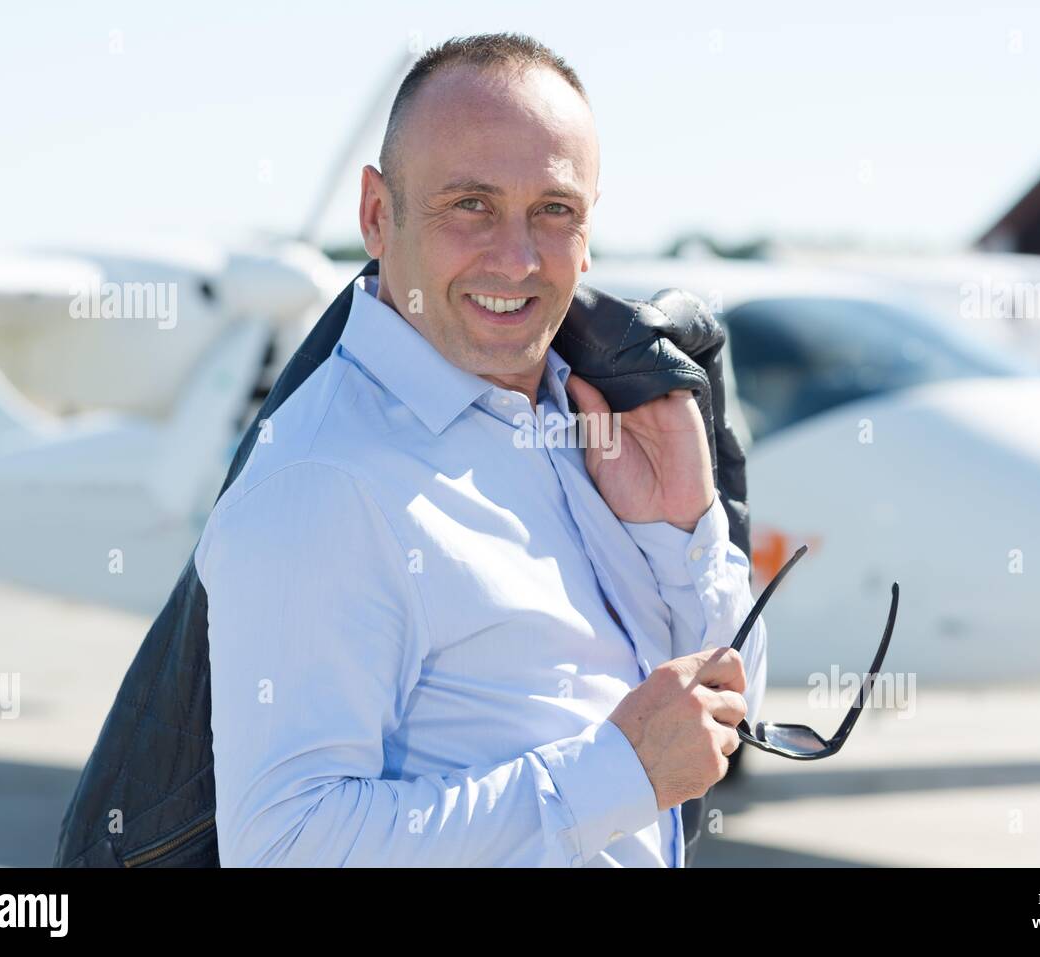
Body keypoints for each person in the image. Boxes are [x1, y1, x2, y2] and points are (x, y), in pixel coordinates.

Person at [195, 32, 766, 867]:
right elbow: (285, 845)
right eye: (471, 204)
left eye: (554, 210)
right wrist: (617, 773)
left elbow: (728, 711)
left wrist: (681, 527)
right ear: (376, 216)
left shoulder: (593, 423)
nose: (519, 257)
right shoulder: (323, 480)